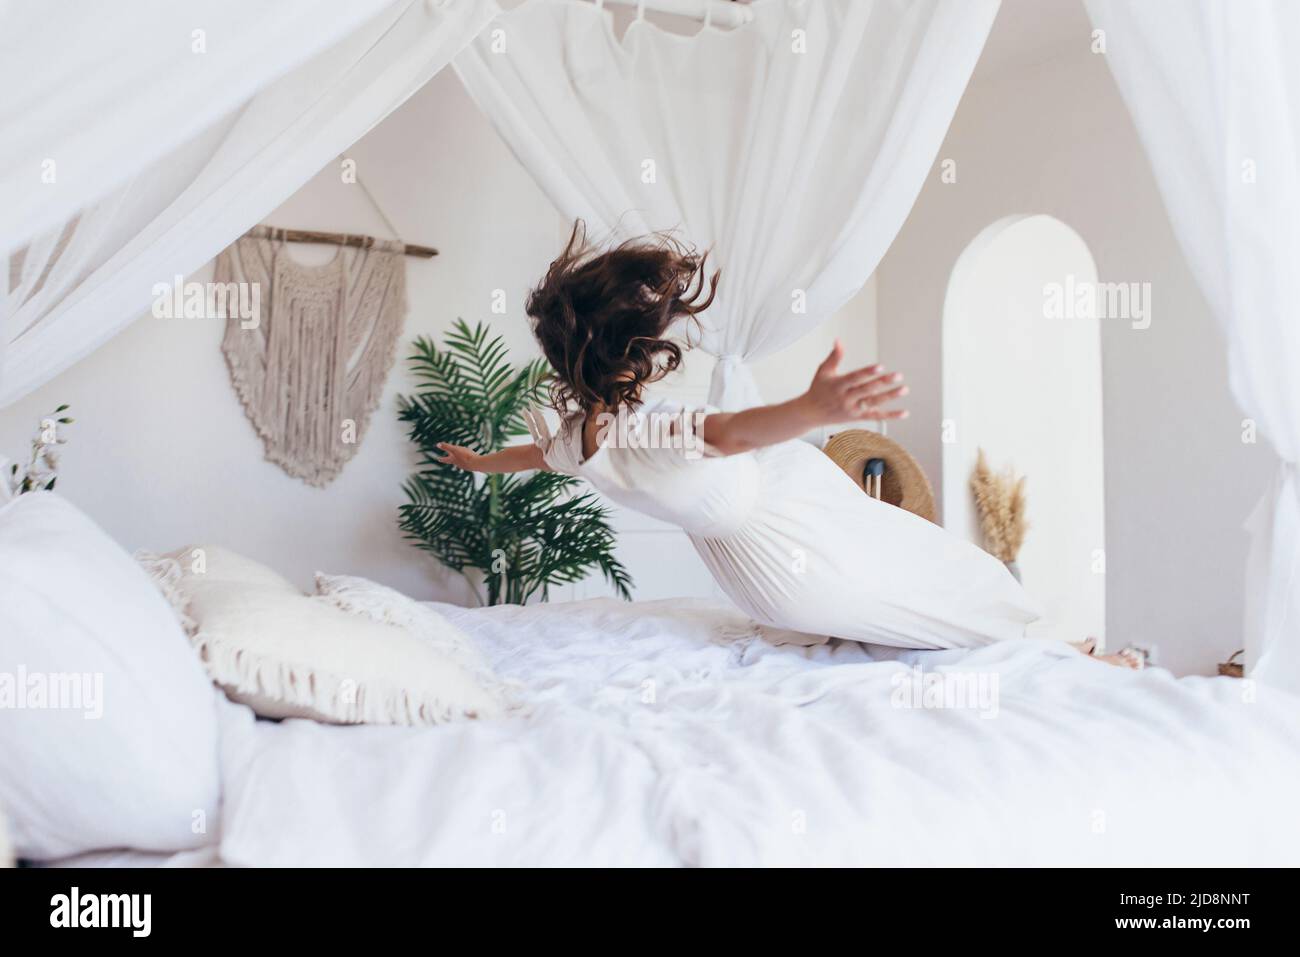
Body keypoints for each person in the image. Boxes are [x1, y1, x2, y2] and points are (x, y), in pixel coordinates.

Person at [436, 224, 1137, 666]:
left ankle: (1050, 653)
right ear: (636, 345)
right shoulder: (644, 423)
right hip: (794, 542)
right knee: (943, 584)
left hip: (770, 562)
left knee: (936, 580)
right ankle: (1062, 661)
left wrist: (479, 462)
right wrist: (813, 406)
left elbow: (537, 456)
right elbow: (731, 432)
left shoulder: (582, 435)